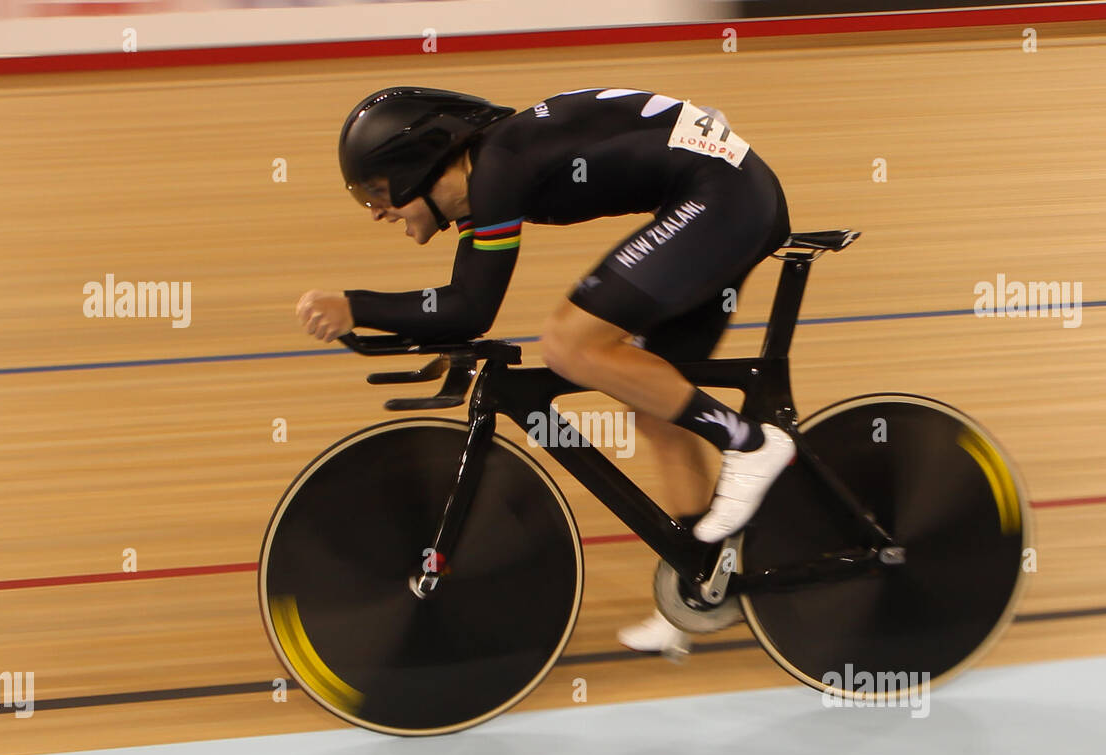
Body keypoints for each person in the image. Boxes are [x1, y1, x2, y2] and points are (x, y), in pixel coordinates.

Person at [295, 86, 794, 653]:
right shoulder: (488, 182)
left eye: (378, 193)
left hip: (724, 198)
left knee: (567, 343)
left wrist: (355, 305)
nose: (378, 211)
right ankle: (703, 587)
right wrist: (379, 320)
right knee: (658, 411)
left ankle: (749, 443)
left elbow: (472, 309)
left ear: (419, 166)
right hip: (722, 195)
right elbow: (462, 305)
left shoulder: (499, 168)